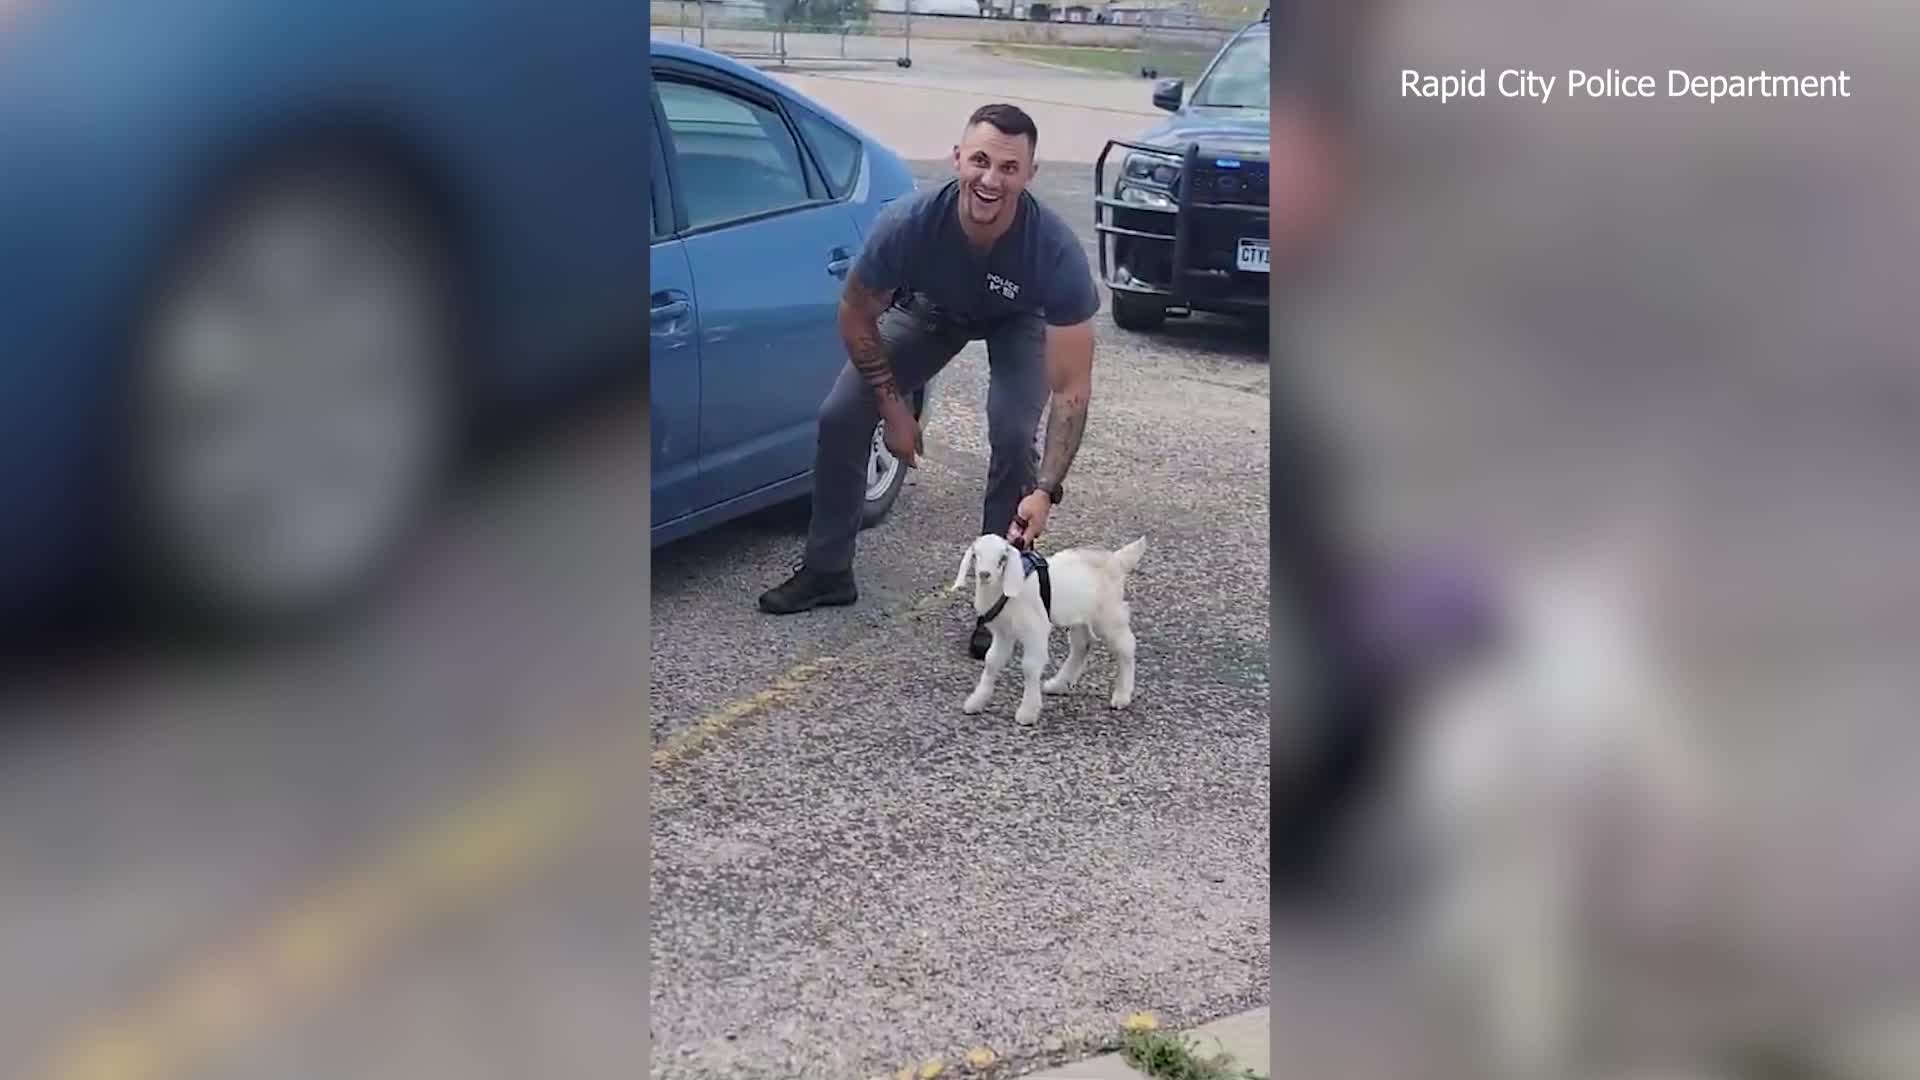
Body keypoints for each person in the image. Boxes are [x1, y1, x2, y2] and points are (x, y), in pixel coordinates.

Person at [758, 103, 1100, 663]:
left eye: (1009, 168)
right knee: (843, 414)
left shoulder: (1055, 252)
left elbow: (1072, 389)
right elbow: (855, 315)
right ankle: (826, 571)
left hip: (1022, 319)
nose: (991, 179)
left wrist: (1046, 489)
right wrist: (895, 412)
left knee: (1014, 436)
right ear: (958, 158)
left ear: (1029, 175)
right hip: (933, 310)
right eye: (981, 161)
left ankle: (1000, 602)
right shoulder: (910, 224)